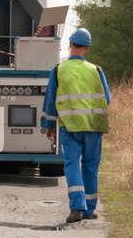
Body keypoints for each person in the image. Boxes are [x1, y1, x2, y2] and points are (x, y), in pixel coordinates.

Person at [40, 27, 110, 224]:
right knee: (90, 166)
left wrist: (48, 125)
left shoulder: (58, 70)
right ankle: (89, 209)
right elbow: (107, 98)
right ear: (87, 47)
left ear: (70, 45)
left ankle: (77, 207)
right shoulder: (96, 70)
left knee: (72, 165)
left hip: (70, 127)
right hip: (94, 126)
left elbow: (50, 101)